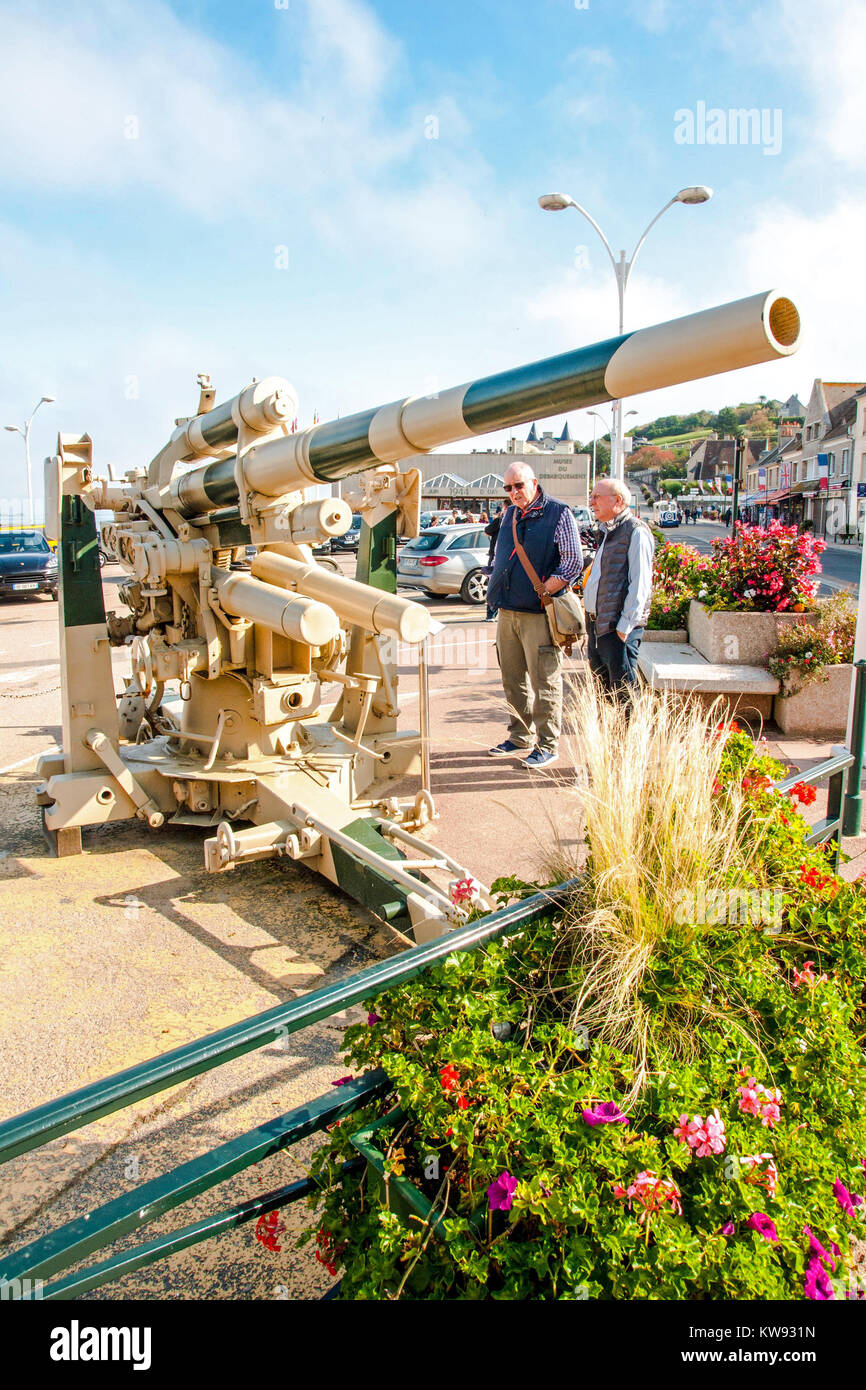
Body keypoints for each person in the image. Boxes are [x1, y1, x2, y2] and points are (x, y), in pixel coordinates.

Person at [486, 464, 582, 769]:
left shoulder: (558, 512)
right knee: (512, 680)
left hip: (538, 613)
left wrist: (544, 592)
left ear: (535, 483)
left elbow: (572, 563)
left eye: (519, 485)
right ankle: (519, 736)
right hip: (507, 610)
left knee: (545, 681)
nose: (514, 492)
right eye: (508, 488)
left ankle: (548, 744)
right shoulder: (511, 515)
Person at [584, 478, 654, 694]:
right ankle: (609, 729)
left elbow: (640, 584)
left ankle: (628, 730)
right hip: (600, 626)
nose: (591, 502)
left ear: (618, 500)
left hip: (617, 628)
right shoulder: (609, 530)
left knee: (624, 695)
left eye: (597, 497)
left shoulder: (636, 531)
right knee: (604, 693)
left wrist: (623, 629)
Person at [483, 513, 502, 622]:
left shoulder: (500, 520)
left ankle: (491, 614)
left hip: (495, 556)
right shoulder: (517, 519)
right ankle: (494, 613)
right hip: (506, 556)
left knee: (493, 585)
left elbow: (487, 531)